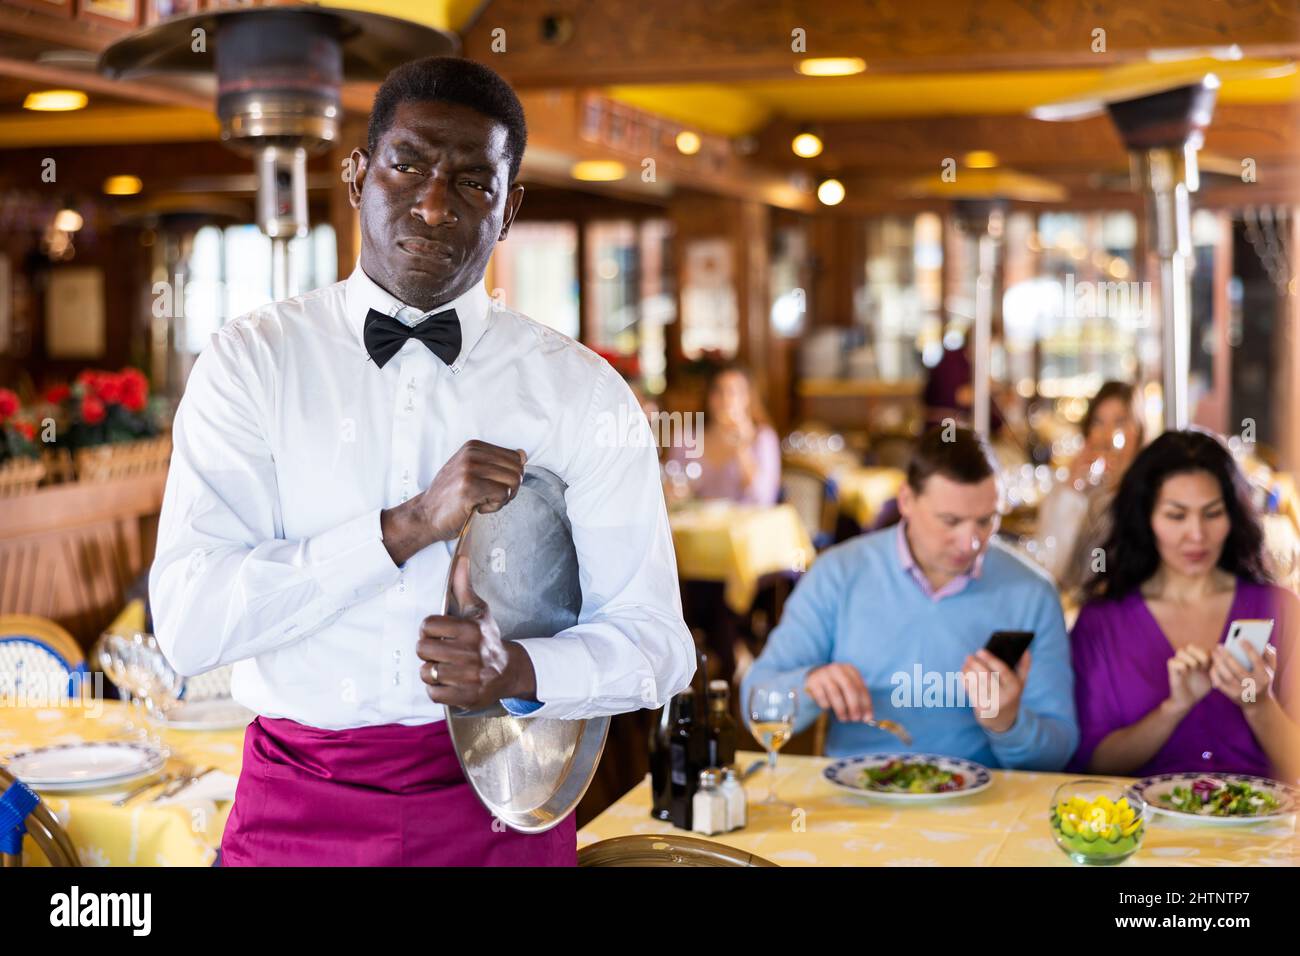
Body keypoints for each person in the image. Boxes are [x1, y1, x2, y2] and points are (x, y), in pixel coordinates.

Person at [148, 56, 695, 867]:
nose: (435, 206)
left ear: (509, 209)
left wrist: (518, 667)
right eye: (408, 165)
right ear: (359, 173)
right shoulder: (250, 363)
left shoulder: (582, 395)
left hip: (502, 805)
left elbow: (660, 648)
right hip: (296, 805)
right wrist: (403, 529)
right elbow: (189, 628)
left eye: (474, 183)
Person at [741, 426, 1078, 769]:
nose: (970, 543)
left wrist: (1009, 724)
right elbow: (754, 701)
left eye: (985, 521)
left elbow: (1057, 751)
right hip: (855, 797)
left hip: (980, 803)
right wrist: (809, 685)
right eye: (950, 521)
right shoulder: (838, 574)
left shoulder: (1033, 593)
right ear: (906, 501)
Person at [1069, 429, 1299, 781]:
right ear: (1145, 519)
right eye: (1176, 516)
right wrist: (1173, 708)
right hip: (1145, 829)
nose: (1197, 534)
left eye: (1212, 513)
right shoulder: (1102, 622)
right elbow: (1094, 764)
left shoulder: (1280, 609)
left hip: (1260, 831)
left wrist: (1258, 704)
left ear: (1234, 516)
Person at [1036, 381, 1142, 595]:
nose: (1108, 435)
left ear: (1139, 429)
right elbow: (1050, 563)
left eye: (1120, 422)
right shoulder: (1086, 491)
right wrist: (1070, 488)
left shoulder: (1145, 494)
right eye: (1098, 423)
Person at [666, 362, 780, 506]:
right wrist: (677, 492)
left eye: (734, 392)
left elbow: (763, 498)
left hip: (744, 525)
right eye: (718, 391)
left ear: (748, 398)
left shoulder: (763, 438)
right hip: (698, 524)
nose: (726, 400)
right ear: (708, 397)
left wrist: (742, 448)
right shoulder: (685, 438)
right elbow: (673, 488)